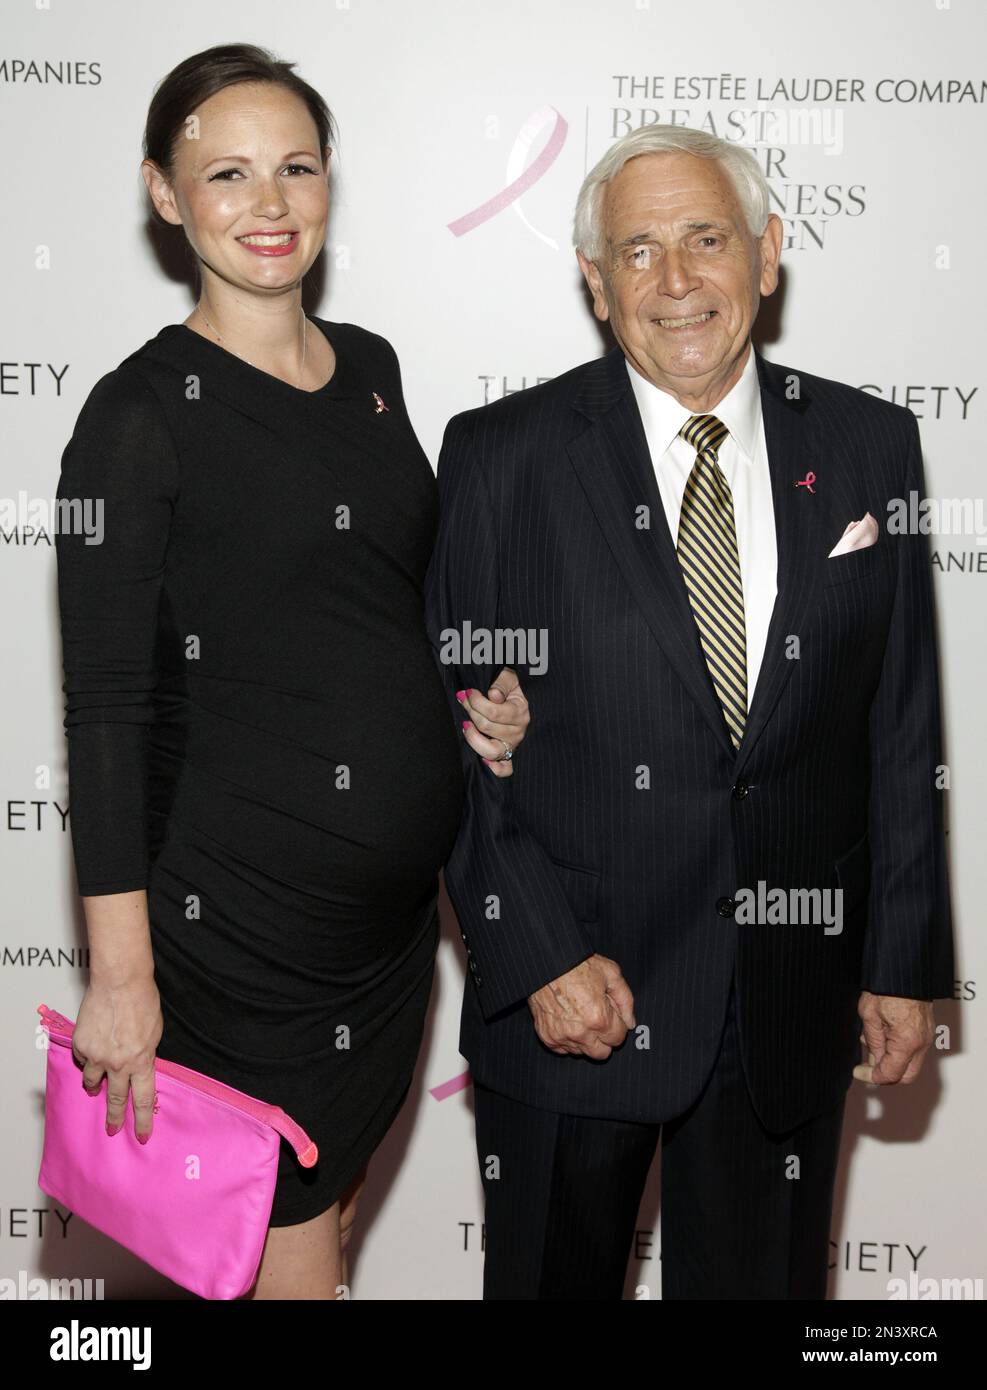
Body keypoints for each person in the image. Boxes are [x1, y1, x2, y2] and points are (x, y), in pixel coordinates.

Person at [426, 122, 954, 1300]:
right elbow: (453, 751)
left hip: (787, 1004)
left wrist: (904, 961)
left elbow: (902, 726)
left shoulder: (871, 445)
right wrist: (537, 956)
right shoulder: (499, 457)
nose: (677, 282)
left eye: (707, 240)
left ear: (768, 254)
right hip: (574, 1002)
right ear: (596, 281)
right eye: (639, 250)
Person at [54, 42, 529, 1302]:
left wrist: (478, 697)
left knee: (310, 1237)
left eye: (296, 167)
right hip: (235, 931)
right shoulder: (135, 415)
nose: (269, 205)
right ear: (165, 194)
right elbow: (104, 712)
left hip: (381, 941)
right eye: (227, 174)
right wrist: (122, 977)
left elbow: (386, 600)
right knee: (289, 1251)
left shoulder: (369, 368)